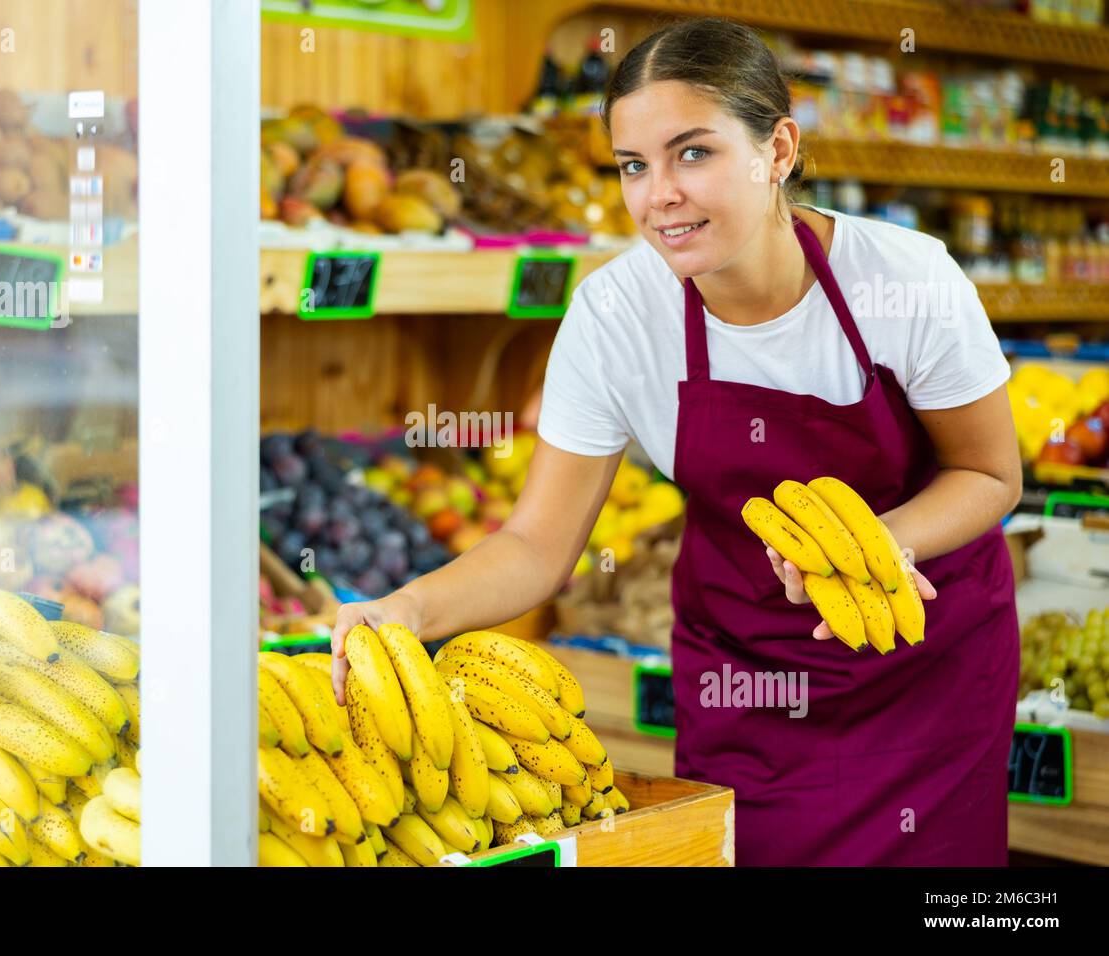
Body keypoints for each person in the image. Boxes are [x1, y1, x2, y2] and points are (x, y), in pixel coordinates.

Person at [331, 18, 1021, 866]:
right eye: (633, 165)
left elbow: (989, 472)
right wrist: (406, 611)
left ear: (779, 149)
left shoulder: (906, 280)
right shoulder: (616, 314)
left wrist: (870, 548)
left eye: (693, 153)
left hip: (924, 680)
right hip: (748, 690)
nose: (659, 193)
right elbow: (537, 545)